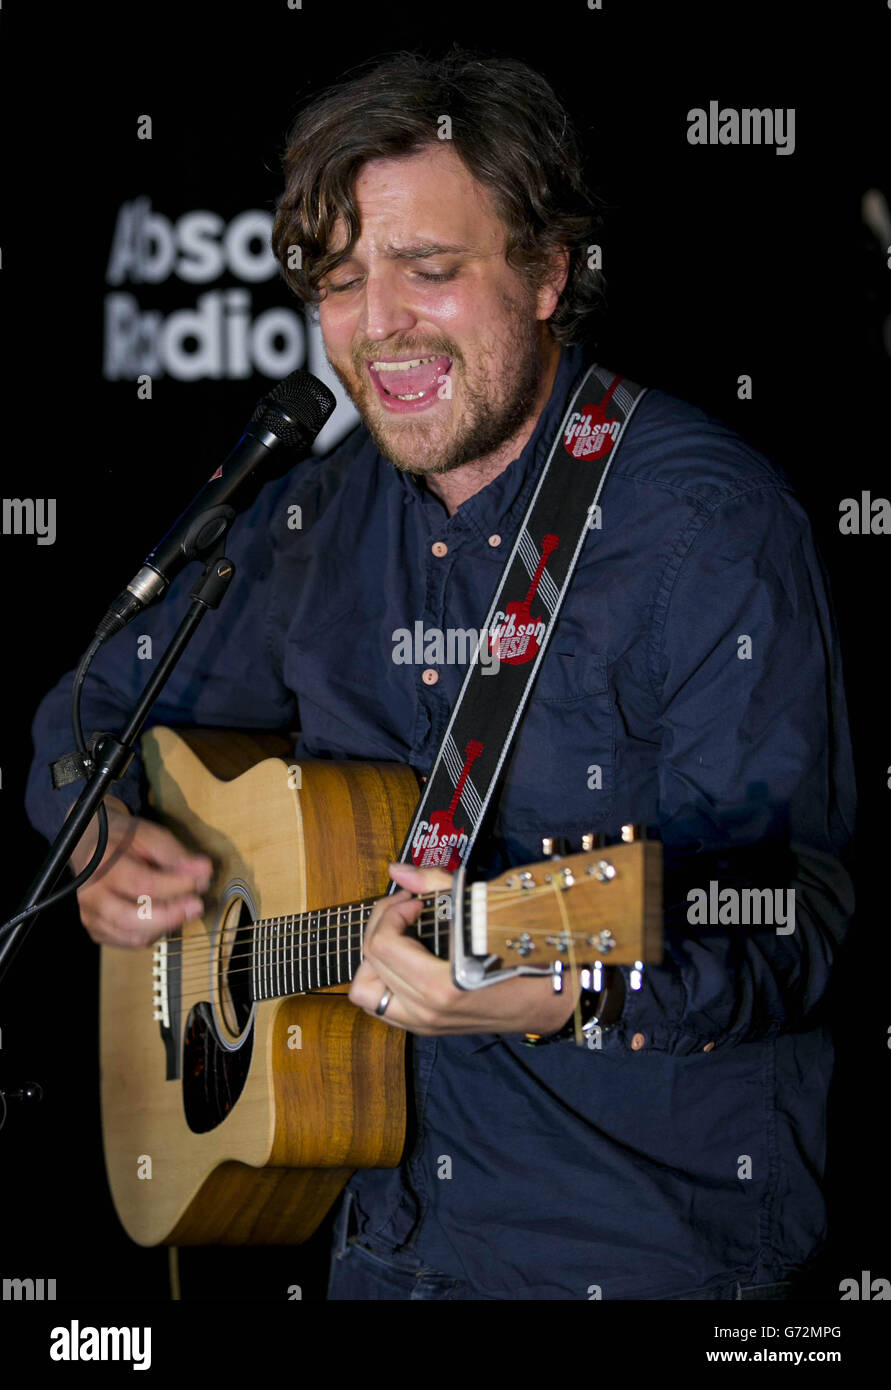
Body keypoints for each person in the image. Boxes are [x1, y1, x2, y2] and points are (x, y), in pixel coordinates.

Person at [25, 48, 856, 1301]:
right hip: (379, 1240)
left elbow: (792, 912)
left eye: (431, 269)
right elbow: (85, 715)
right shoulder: (312, 518)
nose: (382, 324)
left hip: (640, 1253)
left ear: (546, 273)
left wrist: (554, 991)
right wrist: (100, 844)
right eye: (344, 280)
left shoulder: (707, 524)